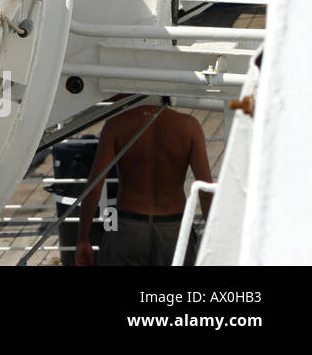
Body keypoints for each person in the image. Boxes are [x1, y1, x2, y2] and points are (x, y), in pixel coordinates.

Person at [75, 98, 212, 266]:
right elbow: (206, 190)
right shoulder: (189, 126)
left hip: (126, 225)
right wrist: (216, 237)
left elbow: (95, 185)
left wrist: (83, 237)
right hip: (174, 228)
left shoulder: (116, 125)